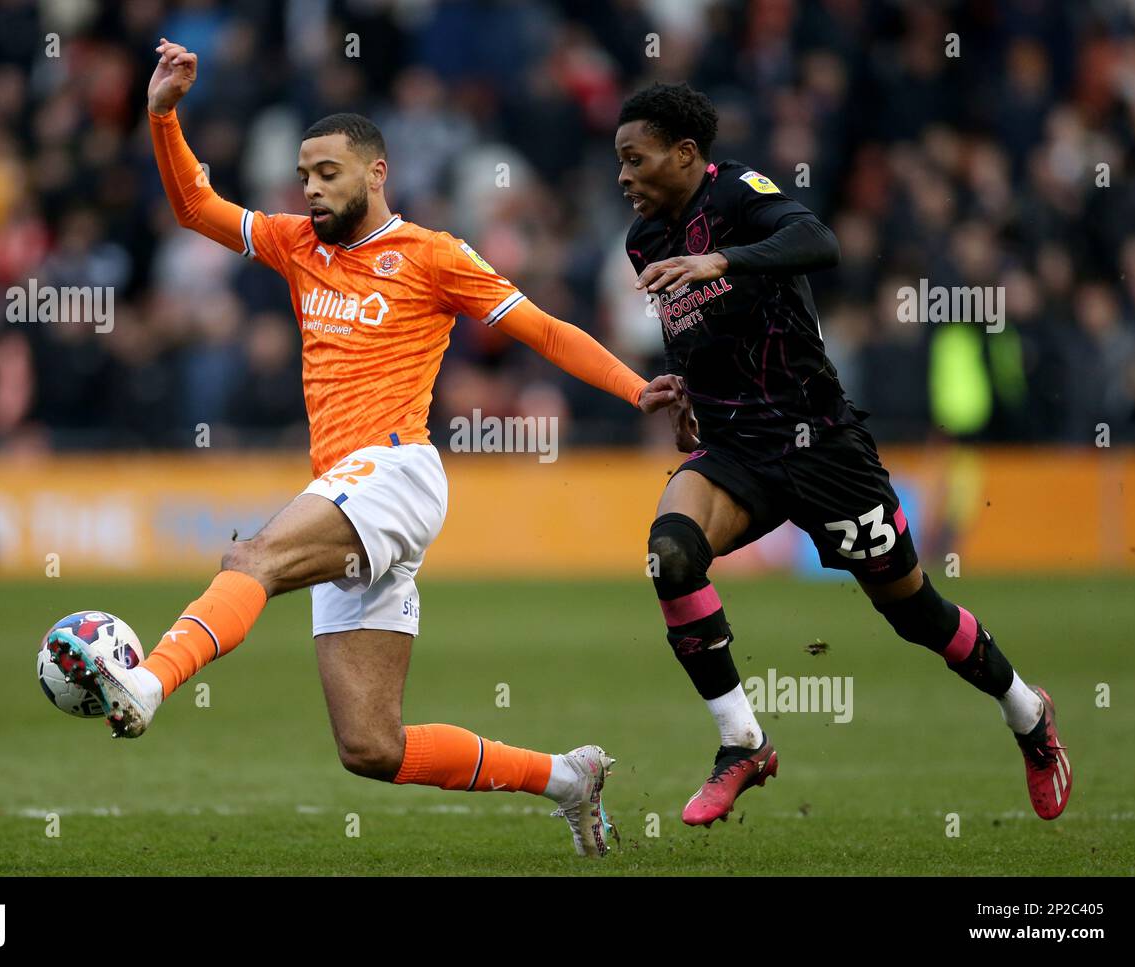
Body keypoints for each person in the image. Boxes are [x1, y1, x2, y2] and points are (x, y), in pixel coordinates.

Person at [46, 38, 679, 858]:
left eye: (328, 174)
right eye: (304, 175)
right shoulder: (294, 244)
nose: (310, 188)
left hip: (396, 470)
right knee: (372, 746)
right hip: (347, 488)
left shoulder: (434, 256)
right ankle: (569, 776)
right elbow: (195, 208)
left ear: (376, 173)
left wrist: (640, 390)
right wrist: (163, 115)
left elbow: (545, 331)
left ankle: (148, 680)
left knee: (251, 562)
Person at [615, 82, 1070, 826]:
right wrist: (689, 396)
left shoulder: (739, 195)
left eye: (635, 160)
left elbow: (819, 242)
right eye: (619, 163)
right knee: (670, 552)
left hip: (824, 447)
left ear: (687, 154)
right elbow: (695, 328)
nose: (624, 176)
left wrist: (721, 260)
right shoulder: (644, 241)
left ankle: (1027, 711)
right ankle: (743, 743)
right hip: (736, 451)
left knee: (915, 611)